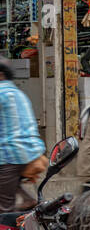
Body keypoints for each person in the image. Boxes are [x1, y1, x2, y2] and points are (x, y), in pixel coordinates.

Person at [0, 60, 46, 211]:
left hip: (10, 154)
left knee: (4, 207)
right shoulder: (19, 93)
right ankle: (28, 205)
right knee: (15, 191)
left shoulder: (2, 93)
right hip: (31, 153)